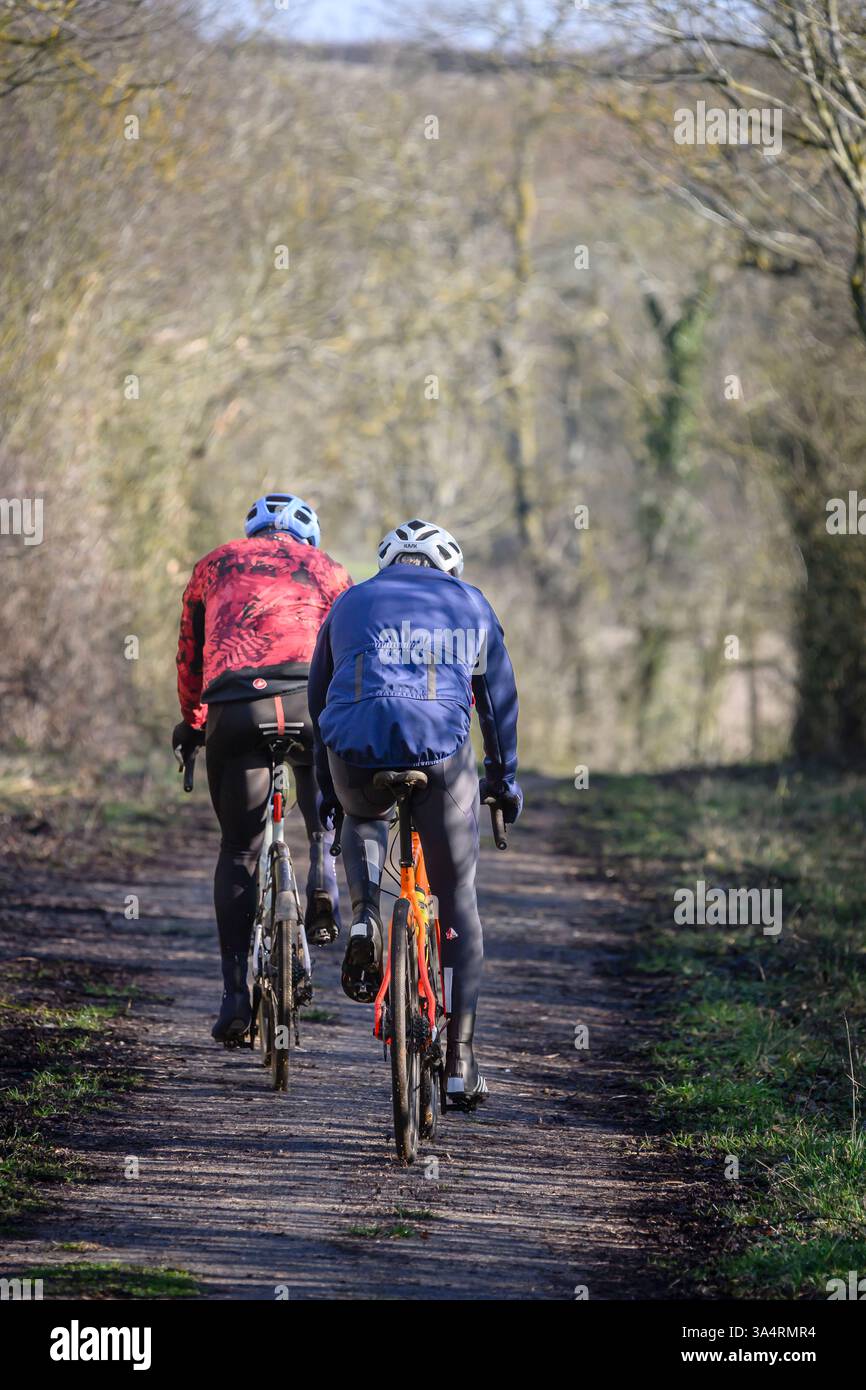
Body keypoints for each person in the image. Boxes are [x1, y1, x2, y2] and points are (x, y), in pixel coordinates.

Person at [308, 518, 522, 1108]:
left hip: (354, 747)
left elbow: (318, 696)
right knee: (457, 898)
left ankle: (365, 917)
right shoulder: (470, 603)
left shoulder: (350, 601)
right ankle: (460, 1061)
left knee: (362, 815)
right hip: (440, 752)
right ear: (448, 567)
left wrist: (330, 791)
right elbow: (497, 703)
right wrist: (503, 782)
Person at [173, 494, 352, 1042]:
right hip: (309, 702)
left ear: (251, 531)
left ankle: (233, 999)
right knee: (322, 804)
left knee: (239, 849)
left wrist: (194, 722)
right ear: (308, 538)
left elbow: (190, 652)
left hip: (237, 705)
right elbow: (349, 652)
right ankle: (323, 870)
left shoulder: (214, 563)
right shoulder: (331, 571)